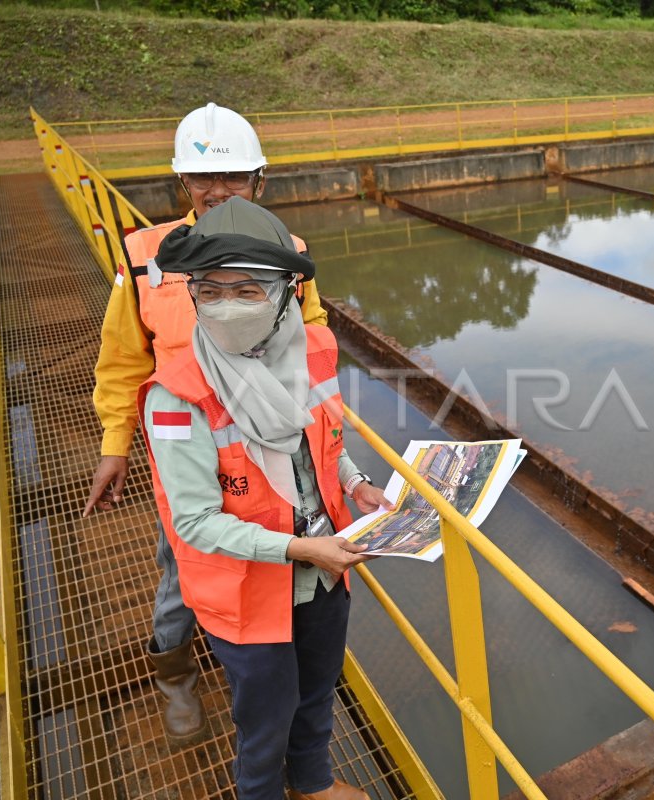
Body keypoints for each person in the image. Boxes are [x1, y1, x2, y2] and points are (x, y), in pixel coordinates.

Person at [83, 102, 328, 746]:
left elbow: (316, 333)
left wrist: (322, 425)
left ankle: (259, 666)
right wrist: (116, 445)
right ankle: (176, 675)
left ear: (260, 182)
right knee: (184, 561)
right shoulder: (144, 256)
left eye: (235, 179)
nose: (218, 191)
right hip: (188, 443)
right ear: (181, 185)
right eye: (202, 180)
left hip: (271, 442)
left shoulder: (288, 251)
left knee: (282, 559)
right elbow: (122, 358)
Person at [139, 197, 392, 800]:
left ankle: (313, 783)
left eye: (248, 290)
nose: (226, 305)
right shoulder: (175, 398)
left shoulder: (313, 352)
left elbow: (324, 437)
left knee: (317, 690)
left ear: (285, 294)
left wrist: (358, 485)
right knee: (265, 719)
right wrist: (301, 547)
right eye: (210, 289)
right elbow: (196, 522)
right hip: (249, 589)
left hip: (325, 572)